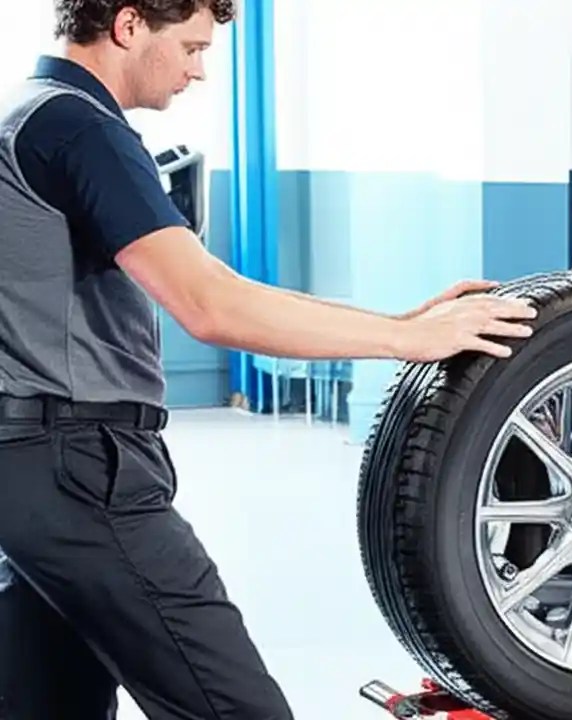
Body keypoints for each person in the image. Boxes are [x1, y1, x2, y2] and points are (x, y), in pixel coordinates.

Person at [0, 1, 537, 718]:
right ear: (128, 26)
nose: (199, 68)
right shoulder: (83, 130)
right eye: (191, 46)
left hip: (28, 472)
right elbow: (211, 305)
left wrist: (399, 321)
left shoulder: (27, 117)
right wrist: (408, 339)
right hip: (82, 470)